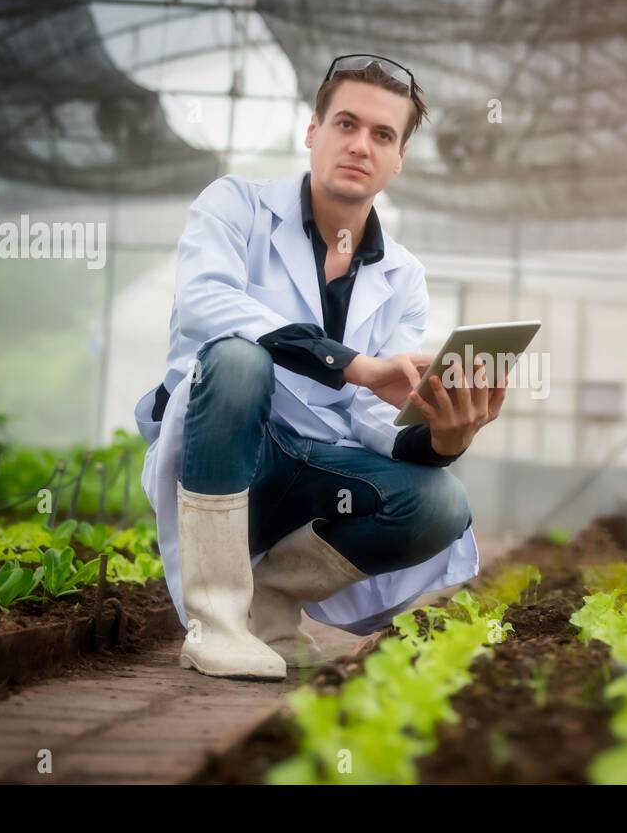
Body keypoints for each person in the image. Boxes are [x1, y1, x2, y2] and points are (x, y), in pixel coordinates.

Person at [132, 54, 506, 680]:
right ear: (313, 131)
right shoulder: (236, 206)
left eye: (383, 135)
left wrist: (441, 439)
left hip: (313, 471)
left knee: (442, 502)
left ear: (399, 158)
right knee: (236, 360)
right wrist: (351, 364)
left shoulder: (403, 276)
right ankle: (218, 623)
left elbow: (368, 416)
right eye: (346, 124)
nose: (361, 145)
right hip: (225, 451)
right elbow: (207, 302)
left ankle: (271, 609)